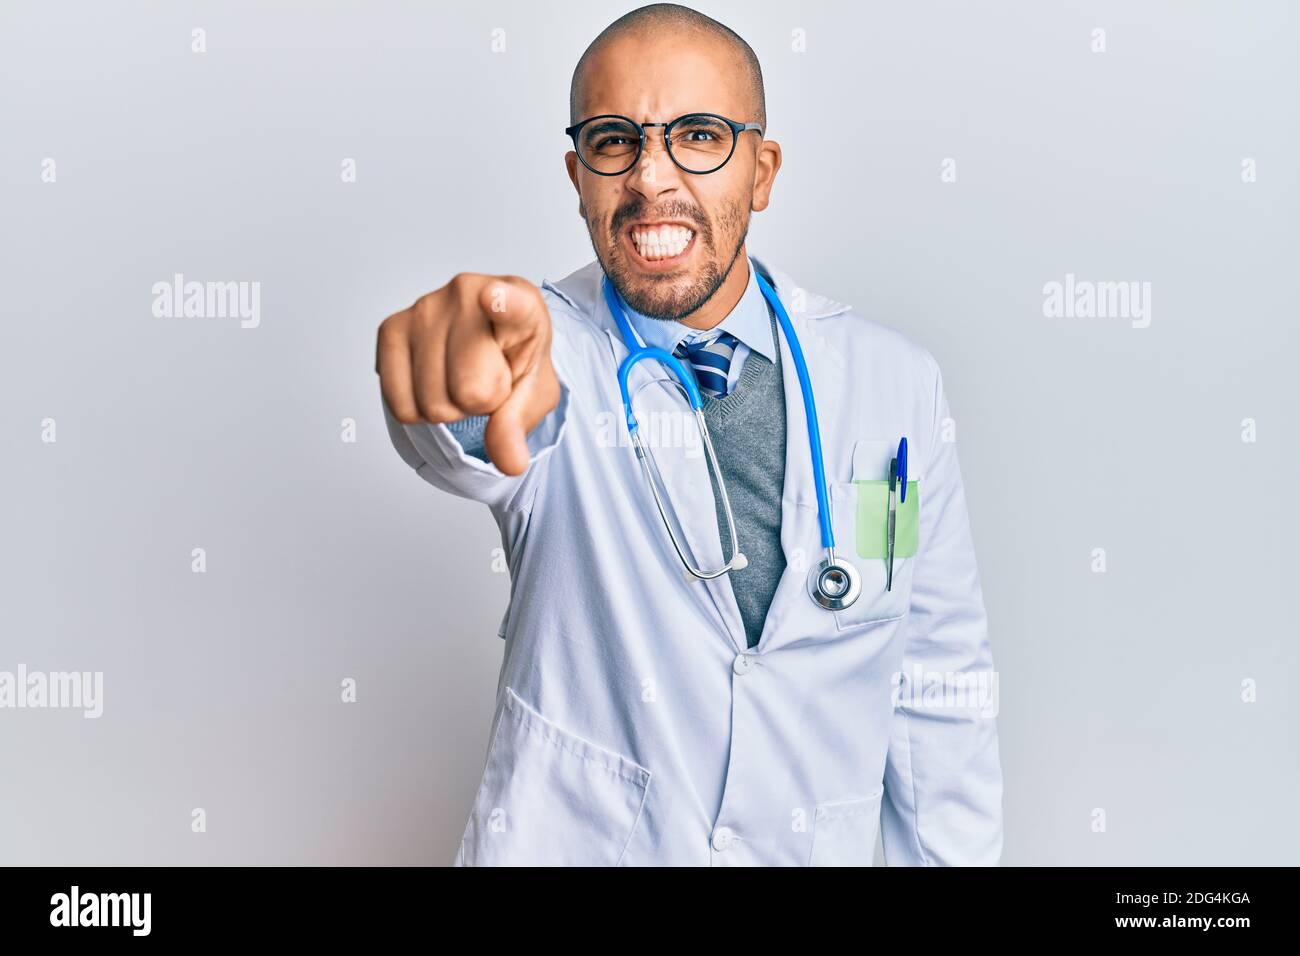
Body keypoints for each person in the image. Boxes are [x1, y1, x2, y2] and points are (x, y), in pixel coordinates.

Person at [376, 3, 1002, 866]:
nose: (650, 179)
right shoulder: (546, 350)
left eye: (699, 136)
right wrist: (453, 385)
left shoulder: (894, 381)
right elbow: (483, 430)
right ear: (577, 175)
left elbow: (938, 685)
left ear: (763, 170)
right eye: (613, 141)